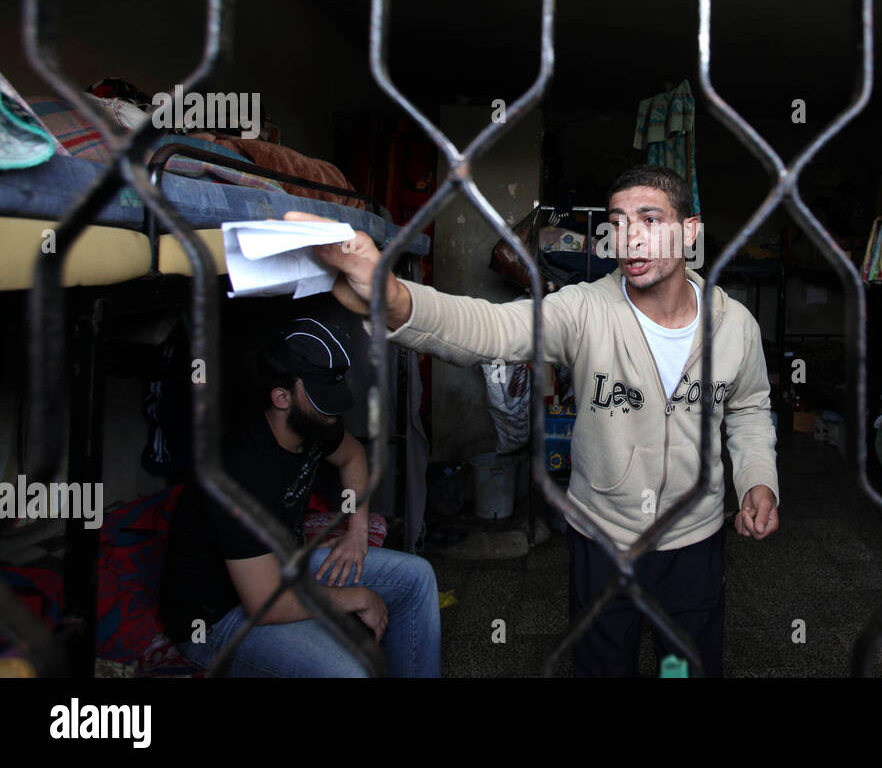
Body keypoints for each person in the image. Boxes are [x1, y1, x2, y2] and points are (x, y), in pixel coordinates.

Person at [290, 166, 780, 677]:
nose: (629, 237)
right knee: (602, 666)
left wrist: (757, 478)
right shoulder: (585, 310)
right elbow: (492, 328)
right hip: (603, 538)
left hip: (694, 540)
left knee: (685, 666)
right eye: (617, 222)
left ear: (689, 230)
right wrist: (397, 301)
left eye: (650, 220)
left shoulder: (734, 325)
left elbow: (748, 408)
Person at [160, 317, 441, 677]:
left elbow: (353, 457)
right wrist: (358, 597)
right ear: (282, 397)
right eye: (322, 397)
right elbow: (266, 603)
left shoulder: (313, 422)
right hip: (219, 618)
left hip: (283, 569)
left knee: (417, 578)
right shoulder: (239, 470)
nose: (334, 411)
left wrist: (357, 533)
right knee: (348, 672)